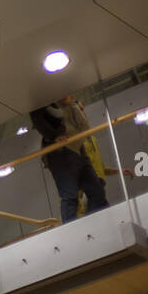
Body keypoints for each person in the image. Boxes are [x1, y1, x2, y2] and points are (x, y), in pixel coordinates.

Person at [30, 95, 109, 224]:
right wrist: (54, 136)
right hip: (61, 153)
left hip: (78, 150)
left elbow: (85, 128)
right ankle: (72, 229)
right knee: (70, 196)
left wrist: (72, 105)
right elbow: (37, 118)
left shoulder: (70, 106)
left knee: (97, 191)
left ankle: (95, 223)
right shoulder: (49, 106)